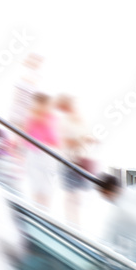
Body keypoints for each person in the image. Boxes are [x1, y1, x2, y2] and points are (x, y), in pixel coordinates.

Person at [55, 94, 94, 225]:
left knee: (77, 197)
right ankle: (72, 224)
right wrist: (82, 140)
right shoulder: (64, 120)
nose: (76, 106)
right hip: (70, 161)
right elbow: (67, 142)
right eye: (74, 103)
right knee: (71, 196)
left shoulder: (80, 119)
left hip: (81, 160)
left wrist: (87, 140)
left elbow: (84, 137)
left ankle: (75, 224)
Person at [20, 93, 61, 209]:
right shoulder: (30, 117)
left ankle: (45, 213)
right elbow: (25, 137)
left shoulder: (52, 118)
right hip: (34, 154)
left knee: (47, 190)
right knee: (35, 188)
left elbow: (55, 140)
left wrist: (43, 120)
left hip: (48, 155)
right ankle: (36, 212)